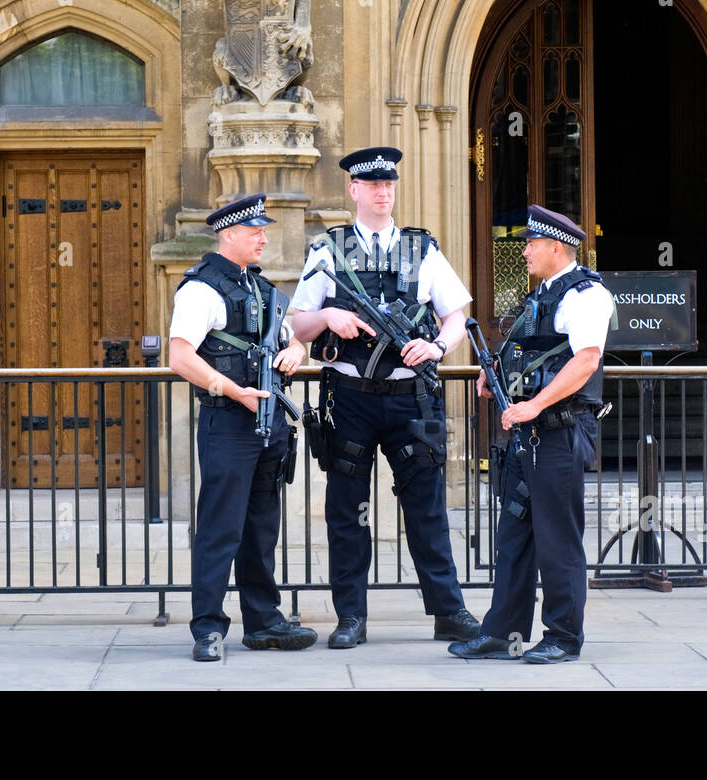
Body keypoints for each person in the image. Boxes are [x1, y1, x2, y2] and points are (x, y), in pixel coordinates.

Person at [290, 146, 481, 649]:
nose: (382, 192)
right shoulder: (327, 250)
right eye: (372, 185)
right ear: (353, 190)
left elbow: (457, 314)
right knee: (347, 513)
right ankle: (350, 616)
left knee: (427, 509)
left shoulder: (423, 250)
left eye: (389, 185)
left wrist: (438, 344)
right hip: (349, 397)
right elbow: (299, 323)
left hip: (410, 398)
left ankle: (449, 611)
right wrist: (329, 318)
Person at [449, 205, 614, 664]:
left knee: (557, 541)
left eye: (531, 244)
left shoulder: (585, 295)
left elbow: (585, 361)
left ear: (555, 247)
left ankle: (563, 636)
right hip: (528, 437)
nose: (523, 251)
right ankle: (503, 631)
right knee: (515, 537)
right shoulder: (542, 294)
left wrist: (534, 405)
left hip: (557, 435)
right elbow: (534, 351)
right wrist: (495, 373)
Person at [168, 193, 318, 661]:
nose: (264, 238)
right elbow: (179, 357)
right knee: (220, 528)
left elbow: (291, 340)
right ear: (228, 234)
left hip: (268, 425)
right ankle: (207, 629)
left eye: (263, 231)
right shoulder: (201, 289)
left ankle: (264, 620)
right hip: (230, 421)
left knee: (260, 528)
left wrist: (297, 352)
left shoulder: (261, 288)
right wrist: (233, 391)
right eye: (255, 232)